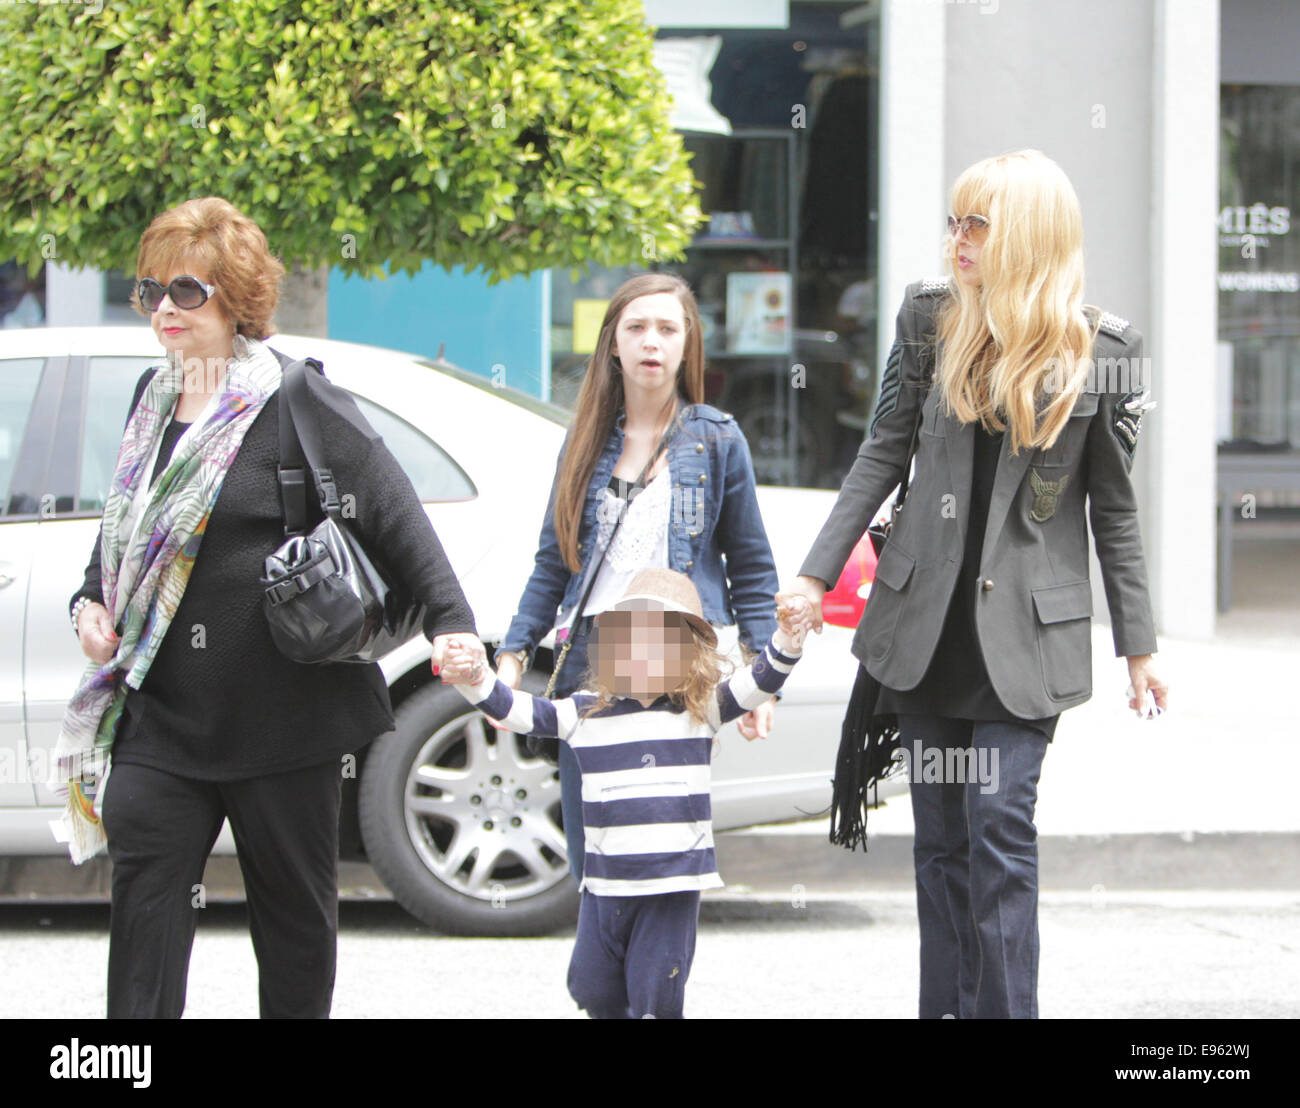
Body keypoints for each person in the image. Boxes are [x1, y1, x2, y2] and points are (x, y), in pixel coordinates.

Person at [54, 196, 486, 1018]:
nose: (165, 311)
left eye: (187, 291)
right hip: (162, 720)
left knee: (292, 926)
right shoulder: (151, 404)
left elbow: (393, 511)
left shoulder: (294, 399)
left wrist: (453, 624)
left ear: (236, 296)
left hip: (286, 721)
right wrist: (87, 607)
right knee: (143, 921)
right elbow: (119, 543)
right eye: (150, 292)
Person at [779, 150, 1170, 1019]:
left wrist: (1139, 646)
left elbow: (1113, 506)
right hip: (926, 626)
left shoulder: (1103, 350)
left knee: (999, 829)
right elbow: (882, 450)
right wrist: (813, 573)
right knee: (943, 843)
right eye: (953, 221)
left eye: (977, 224)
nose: (957, 239)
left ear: (1028, 235)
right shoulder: (928, 320)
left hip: (1025, 639)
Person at [493, 273, 781, 882]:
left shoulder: (716, 439)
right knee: (590, 852)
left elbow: (750, 562)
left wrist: (763, 677)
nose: (652, 341)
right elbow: (554, 561)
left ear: (686, 345)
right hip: (590, 662)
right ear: (613, 344)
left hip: (676, 666)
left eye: (667, 329)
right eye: (637, 328)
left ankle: (654, 973)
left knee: (665, 846)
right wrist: (513, 657)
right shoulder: (584, 441)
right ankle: (604, 975)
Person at [443, 568, 810, 1018]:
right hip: (605, 885)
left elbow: (761, 681)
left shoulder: (701, 710)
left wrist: (789, 637)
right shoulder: (583, 713)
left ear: (688, 654)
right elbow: (517, 712)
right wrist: (474, 674)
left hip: (672, 885)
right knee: (590, 987)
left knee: (655, 994)